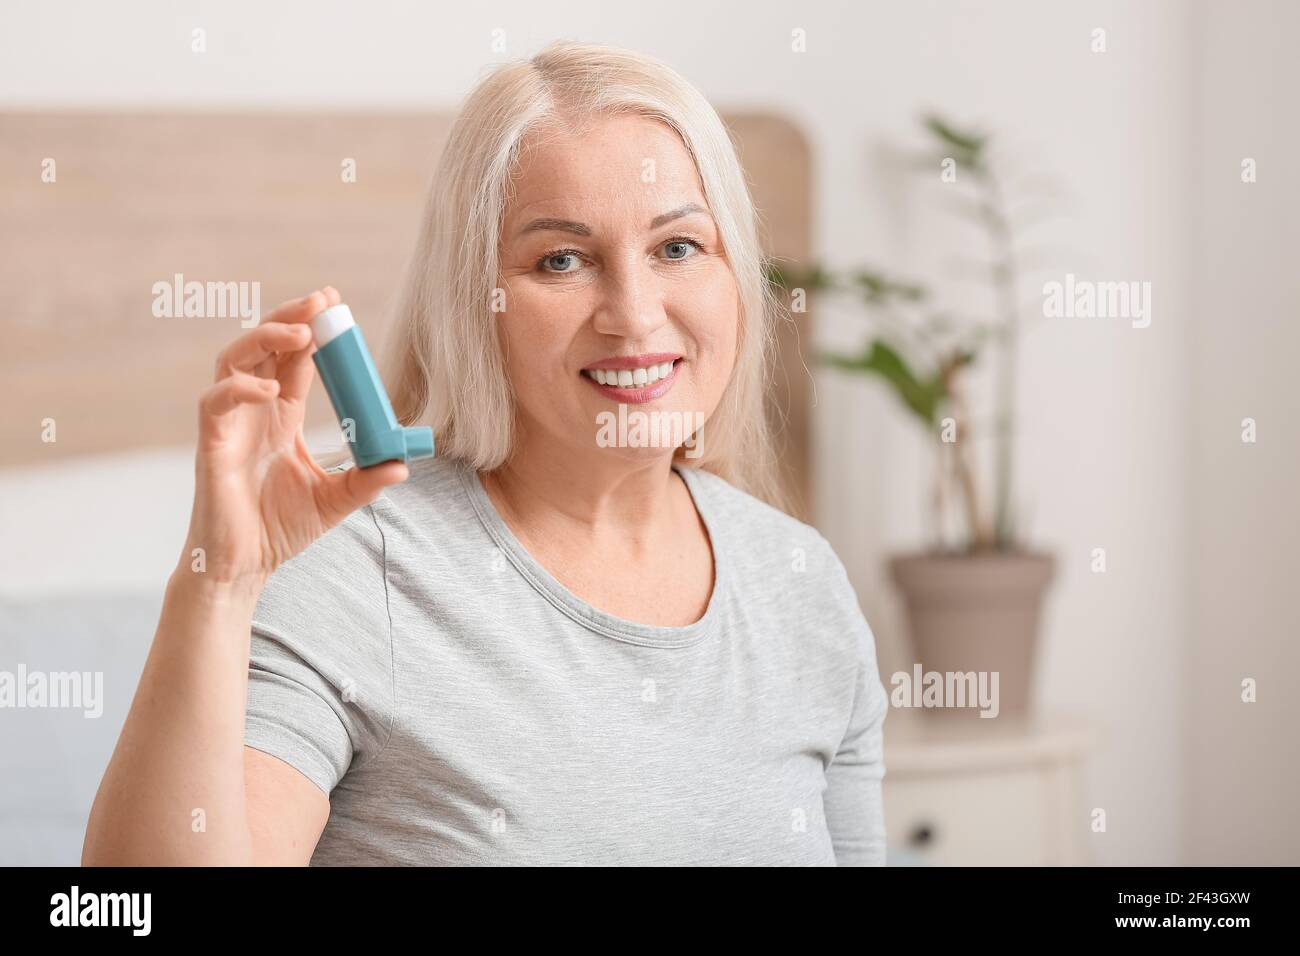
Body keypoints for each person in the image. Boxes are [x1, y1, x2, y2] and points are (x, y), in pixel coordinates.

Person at [82, 40, 888, 866]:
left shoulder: (805, 586)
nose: (636, 315)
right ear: (478, 303)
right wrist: (217, 586)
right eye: (562, 260)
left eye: (677, 248)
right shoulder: (354, 567)